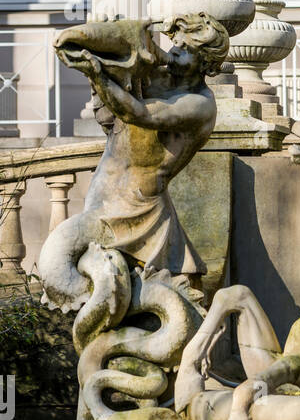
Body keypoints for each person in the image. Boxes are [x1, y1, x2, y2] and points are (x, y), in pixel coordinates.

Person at [59, 14, 227, 275]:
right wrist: (101, 68)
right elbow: (110, 122)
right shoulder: (157, 78)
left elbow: (138, 114)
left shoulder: (200, 104)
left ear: (206, 62)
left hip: (140, 211)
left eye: (186, 49)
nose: (174, 51)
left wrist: (97, 73)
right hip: (105, 191)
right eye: (175, 44)